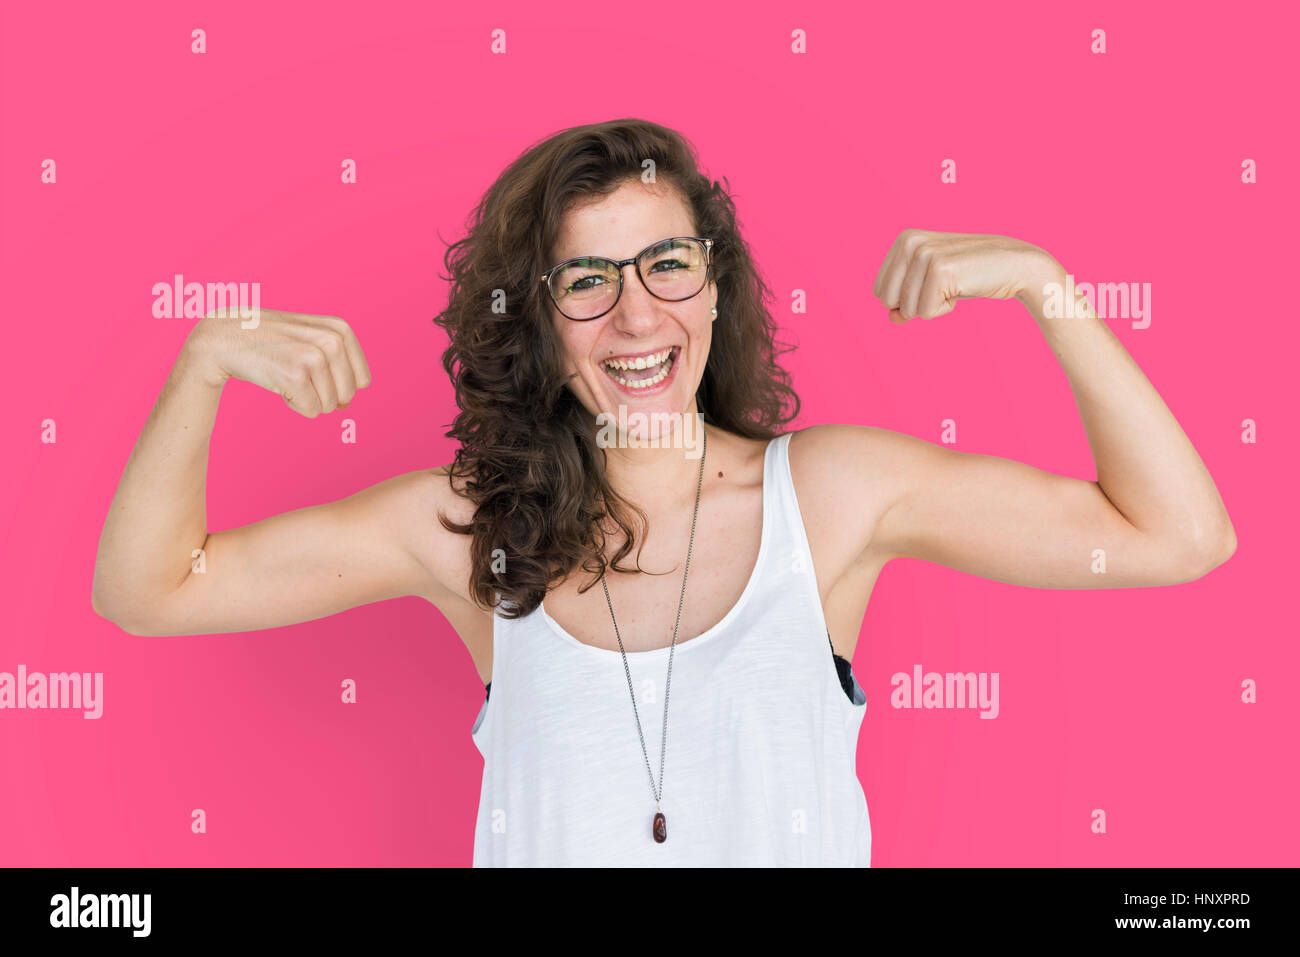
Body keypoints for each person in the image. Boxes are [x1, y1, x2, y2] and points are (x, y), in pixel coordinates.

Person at [91, 118, 1236, 867]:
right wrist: (199, 369)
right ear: (534, 323)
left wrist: (1047, 289)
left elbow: (1174, 534)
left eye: (666, 266)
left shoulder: (832, 496)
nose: (637, 318)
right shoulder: (471, 530)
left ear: (713, 284)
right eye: (585, 281)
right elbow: (148, 591)